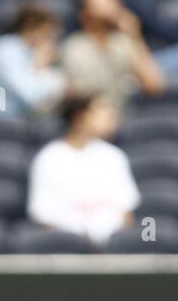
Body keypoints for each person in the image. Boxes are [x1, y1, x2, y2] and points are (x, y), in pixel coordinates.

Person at [27, 95, 140, 247]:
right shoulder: (48, 158)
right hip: (66, 254)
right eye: (100, 110)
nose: (111, 116)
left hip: (111, 252)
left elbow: (127, 214)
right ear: (79, 117)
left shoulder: (113, 156)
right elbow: (44, 216)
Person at [62, 0, 165, 114]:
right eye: (103, 0)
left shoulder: (123, 42)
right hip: (92, 120)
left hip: (123, 120)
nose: (112, 5)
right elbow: (80, 97)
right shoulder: (75, 48)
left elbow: (154, 85)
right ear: (85, 14)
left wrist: (135, 37)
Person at [0, 1, 66, 117]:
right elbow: (31, 96)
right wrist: (39, 66)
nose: (50, 39)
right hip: (4, 119)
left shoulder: (29, 52)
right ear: (30, 26)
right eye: (47, 33)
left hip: (26, 121)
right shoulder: (6, 48)